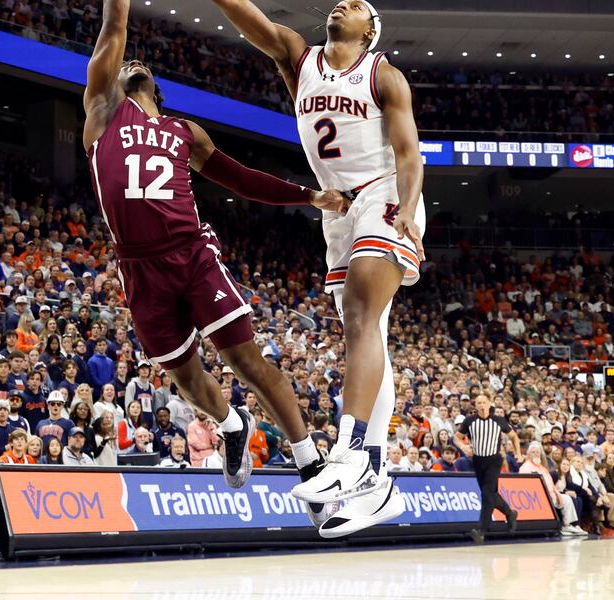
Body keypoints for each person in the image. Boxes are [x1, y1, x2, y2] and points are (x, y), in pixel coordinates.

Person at [81, 0, 340, 524]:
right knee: (186, 377)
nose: (132, 63)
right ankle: (231, 423)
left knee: (246, 360)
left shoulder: (186, 132)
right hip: (139, 267)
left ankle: (311, 467)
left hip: (192, 253)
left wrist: (309, 196)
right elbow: (114, 24)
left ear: (156, 88)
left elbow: (239, 177)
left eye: (140, 65)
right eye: (126, 63)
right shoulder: (103, 112)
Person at [215, 0, 427, 537]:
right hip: (337, 206)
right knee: (368, 333)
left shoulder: (383, 75)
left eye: (356, 5)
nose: (342, 4)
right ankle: (378, 482)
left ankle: (350, 451)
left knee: (359, 314)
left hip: (383, 193)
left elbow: (409, 154)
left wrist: (407, 207)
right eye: (340, 1)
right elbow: (254, 22)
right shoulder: (299, 56)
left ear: (370, 31)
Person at [456, 395, 519, 541]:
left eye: (484, 402)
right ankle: (510, 513)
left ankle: (481, 530)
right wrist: (463, 447)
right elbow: (457, 437)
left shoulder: (498, 420)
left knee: (486, 493)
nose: (482, 405)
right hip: (478, 460)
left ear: (489, 404)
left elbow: (514, 436)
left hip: (493, 460)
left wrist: (518, 453)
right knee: (490, 494)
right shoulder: (469, 420)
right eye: (479, 403)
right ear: (476, 406)